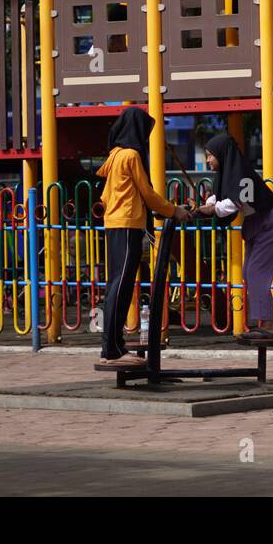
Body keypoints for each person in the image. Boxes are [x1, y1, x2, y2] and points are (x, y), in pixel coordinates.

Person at [95, 106, 182, 368]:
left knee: (116, 286)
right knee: (120, 287)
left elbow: (110, 195)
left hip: (116, 223)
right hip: (127, 224)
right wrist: (173, 210)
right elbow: (147, 192)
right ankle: (111, 349)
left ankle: (115, 345)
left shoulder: (116, 155)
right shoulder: (131, 155)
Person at [193, 133, 273, 340]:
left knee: (255, 273)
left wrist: (212, 209)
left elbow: (234, 203)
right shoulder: (228, 173)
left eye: (210, 156)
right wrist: (207, 206)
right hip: (256, 223)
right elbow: (219, 197)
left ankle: (270, 325)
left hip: (269, 223)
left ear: (221, 154)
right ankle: (264, 321)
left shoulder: (242, 175)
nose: (208, 160)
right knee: (248, 273)